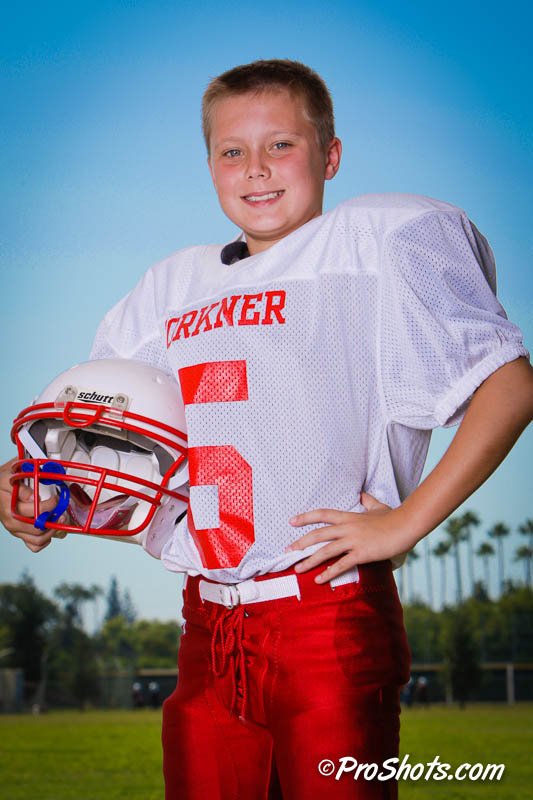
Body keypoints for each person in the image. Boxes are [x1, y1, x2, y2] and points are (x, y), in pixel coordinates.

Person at [1, 59, 532, 799]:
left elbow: (509, 385)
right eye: (232, 151)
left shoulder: (372, 246)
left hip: (326, 613)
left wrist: (404, 523)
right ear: (209, 165)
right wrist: (43, 491)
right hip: (205, 627)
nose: (256, 168)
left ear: (330, 155)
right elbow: (116, 451)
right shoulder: (168, 288)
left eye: (281, 144)